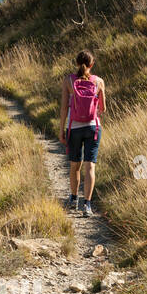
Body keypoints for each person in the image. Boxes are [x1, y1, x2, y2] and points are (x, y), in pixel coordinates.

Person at [58, 49, 106, 216]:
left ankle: (73, 199)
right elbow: (103, 108)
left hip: (74, 128)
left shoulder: (68, 81)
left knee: (75, 166)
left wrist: (61, 130)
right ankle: (87, 205)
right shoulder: (99, 81)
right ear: (92, 65)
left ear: (77, 63)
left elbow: (64, 108)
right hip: (93, 128)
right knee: (90, 166)